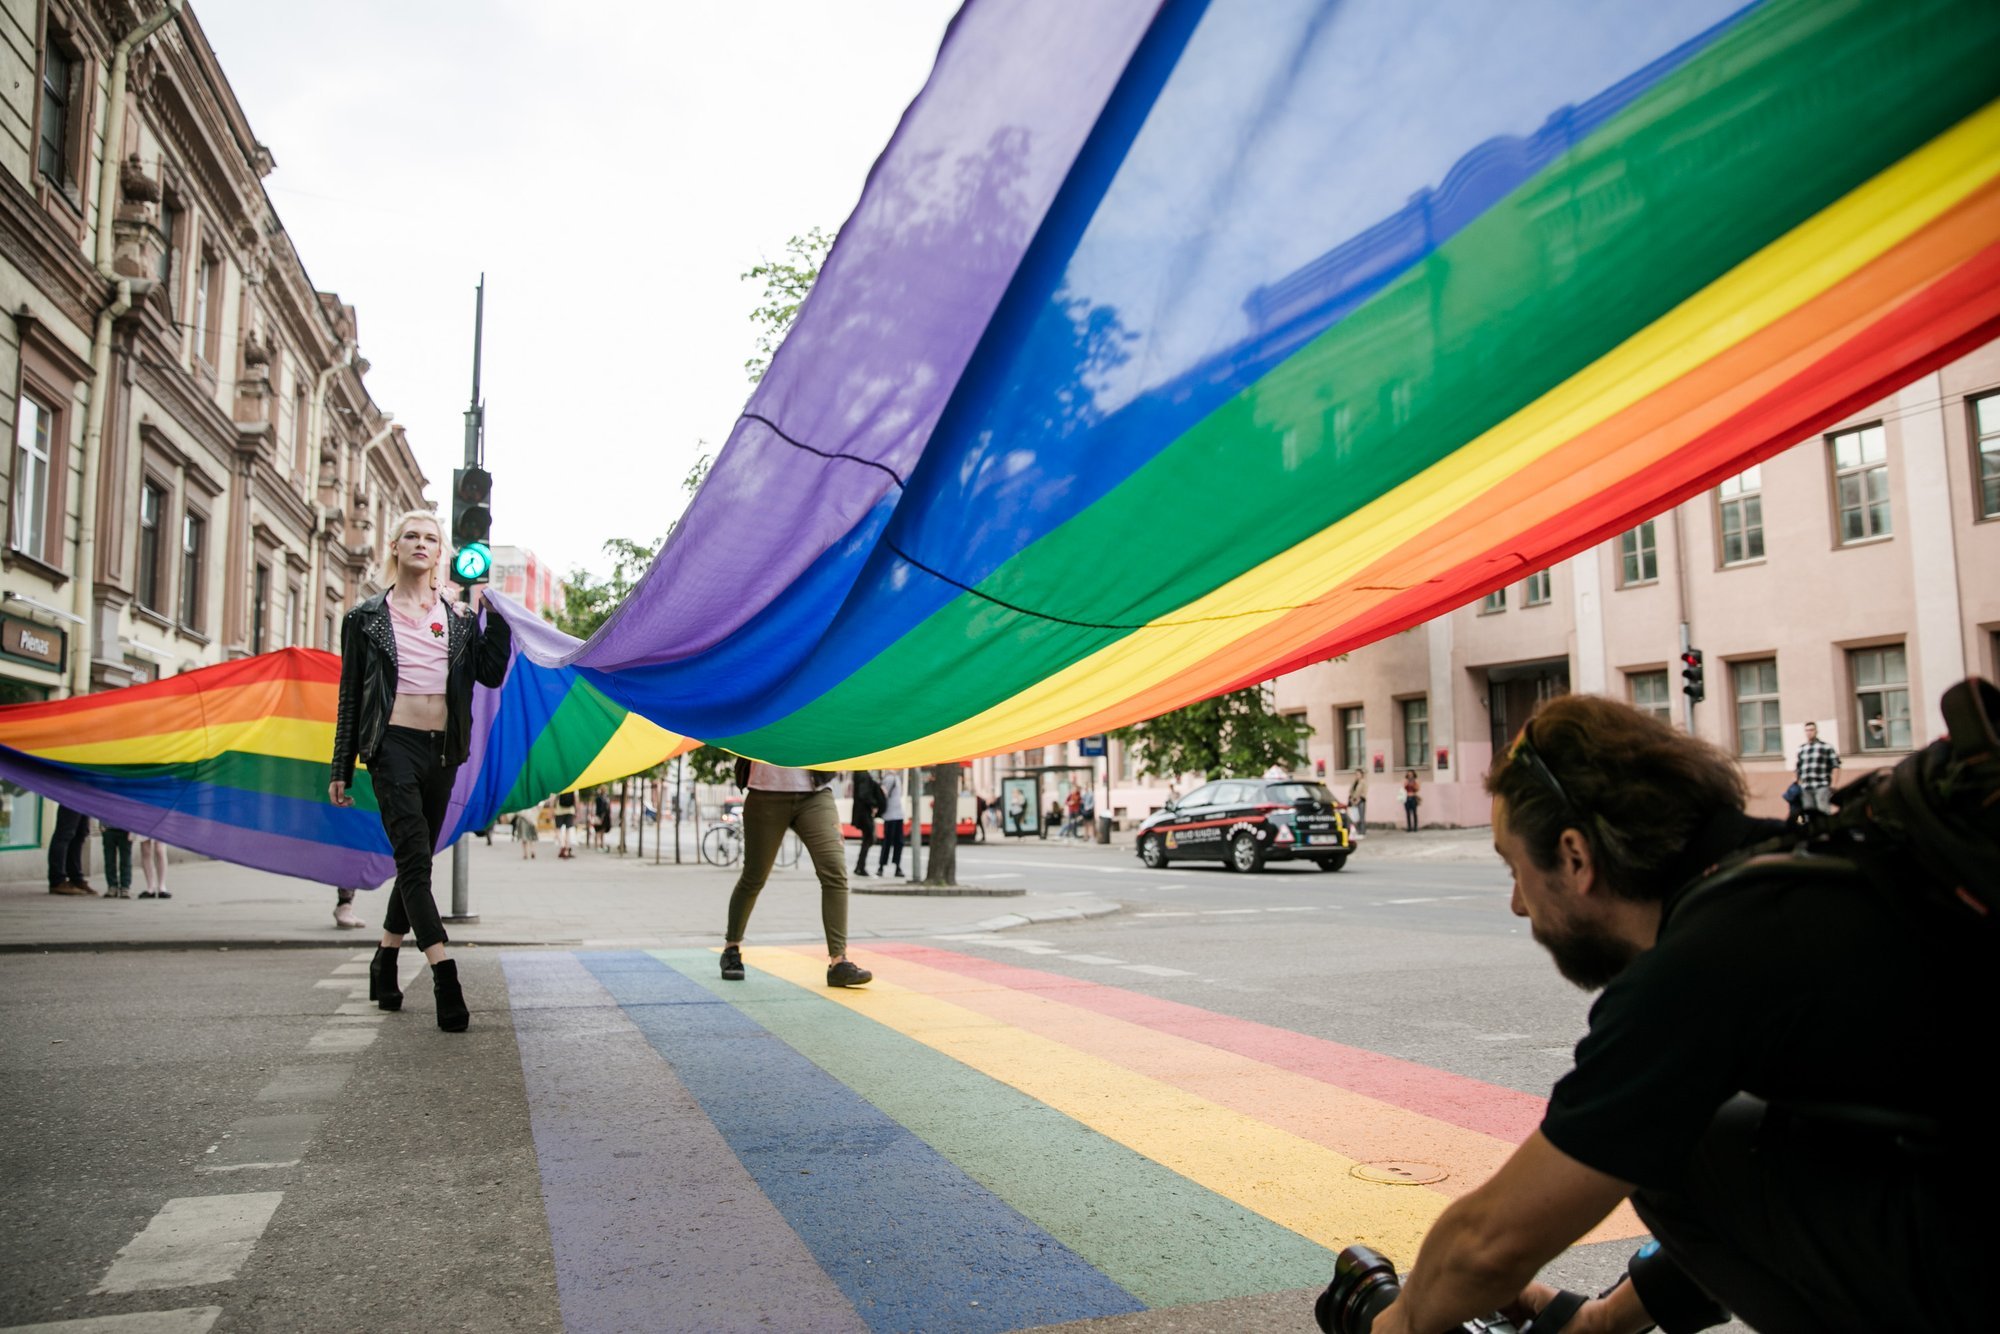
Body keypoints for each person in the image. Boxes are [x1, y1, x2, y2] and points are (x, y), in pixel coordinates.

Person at [1365, 693, 1986, 1334]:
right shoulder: (1797, 872)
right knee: (1708, 1127)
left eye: (1515, 868)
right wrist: (1600, 1322)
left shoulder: (1707, 960)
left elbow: (1489, 1244)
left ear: (1576, 858)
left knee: (1685, 1140)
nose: (1519, 904)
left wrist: (1397, 1324)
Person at [329, 508, 511, 1033]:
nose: (421, 543)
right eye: (411, 535)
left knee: (417, 862)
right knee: (412, 859)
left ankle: (384, 957)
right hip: (390, 748)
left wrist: (490, 615)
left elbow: (491, 675)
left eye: (431, 538)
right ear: (395, 546)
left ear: (441, 553)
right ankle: (444, 976)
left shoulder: (456, 618)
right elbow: (350, 698)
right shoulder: (364, 619)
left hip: (442, 751)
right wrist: (342, 763)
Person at [720, 758, 872, 989]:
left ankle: (838, 963)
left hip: (815, 792)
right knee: (754, 876)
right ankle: (731, 948)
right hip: (765, 791)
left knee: (834, 869)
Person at [1792, 720, 1839, 818]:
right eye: (1807, 730)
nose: (1809, 732)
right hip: (1806, 786)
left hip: (1822, 785)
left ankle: (1826, 832)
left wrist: (1834, 784)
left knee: (1823, 810)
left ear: (1816, 731)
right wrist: (1797, 781)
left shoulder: (1826, 747)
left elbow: (1836, 765)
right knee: (1808, 813)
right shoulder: (1801, 748)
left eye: (1811, 730)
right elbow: (1797, 767)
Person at [46, 803, 94, 895]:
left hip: (86, 794)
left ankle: (76, 879)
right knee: (65, 833)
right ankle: (57, 881)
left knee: (81, 833)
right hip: (72, 793)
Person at [849, 770, 884, 876]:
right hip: (864, 812)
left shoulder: (860, 773)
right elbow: (863, 794)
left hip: (862, 811)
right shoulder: (863, 774)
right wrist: (874, 803)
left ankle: (860, 866)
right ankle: (860, 866)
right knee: (869, 838)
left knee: (868, 838)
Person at [877, 768, 906, 877]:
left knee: (896, 842)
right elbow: (883, 795)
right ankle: (882, 866)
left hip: (897, 814)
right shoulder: (889, 779)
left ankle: (895, 866)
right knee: (890, 842)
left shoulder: (896, 778)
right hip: (890, 815)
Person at [99, 824, 133, 898]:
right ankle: (112, 886)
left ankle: (125, 887)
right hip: (109, 828)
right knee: (109, 860)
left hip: (126, 829)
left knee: (125, 860)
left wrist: (132, 829)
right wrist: (101, 823)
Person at [553, 789, 577, 859]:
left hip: (559, 811)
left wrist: (551, 810)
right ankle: (567, 848)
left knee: (558, 829)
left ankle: (562, 846)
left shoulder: (558, 784)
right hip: (570, 810)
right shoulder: (574, 784)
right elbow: (576, 799)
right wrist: (577, 811)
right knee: (568, 831)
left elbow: (553, 799)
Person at [1346, 772, 1368, 838]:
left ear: (1361, 775)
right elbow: (1351, 791)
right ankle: (1358, 831)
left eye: (1358, 774)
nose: (1357, 776)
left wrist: (1358, 799)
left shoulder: (1363, 782)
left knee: (1361, 817)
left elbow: (1364, 792)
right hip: (1353, 801)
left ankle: (1362, 831)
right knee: (1355, 817)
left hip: (1361, 801)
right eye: (1356, 774)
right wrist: (1352, 799)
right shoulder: (1354, 782)